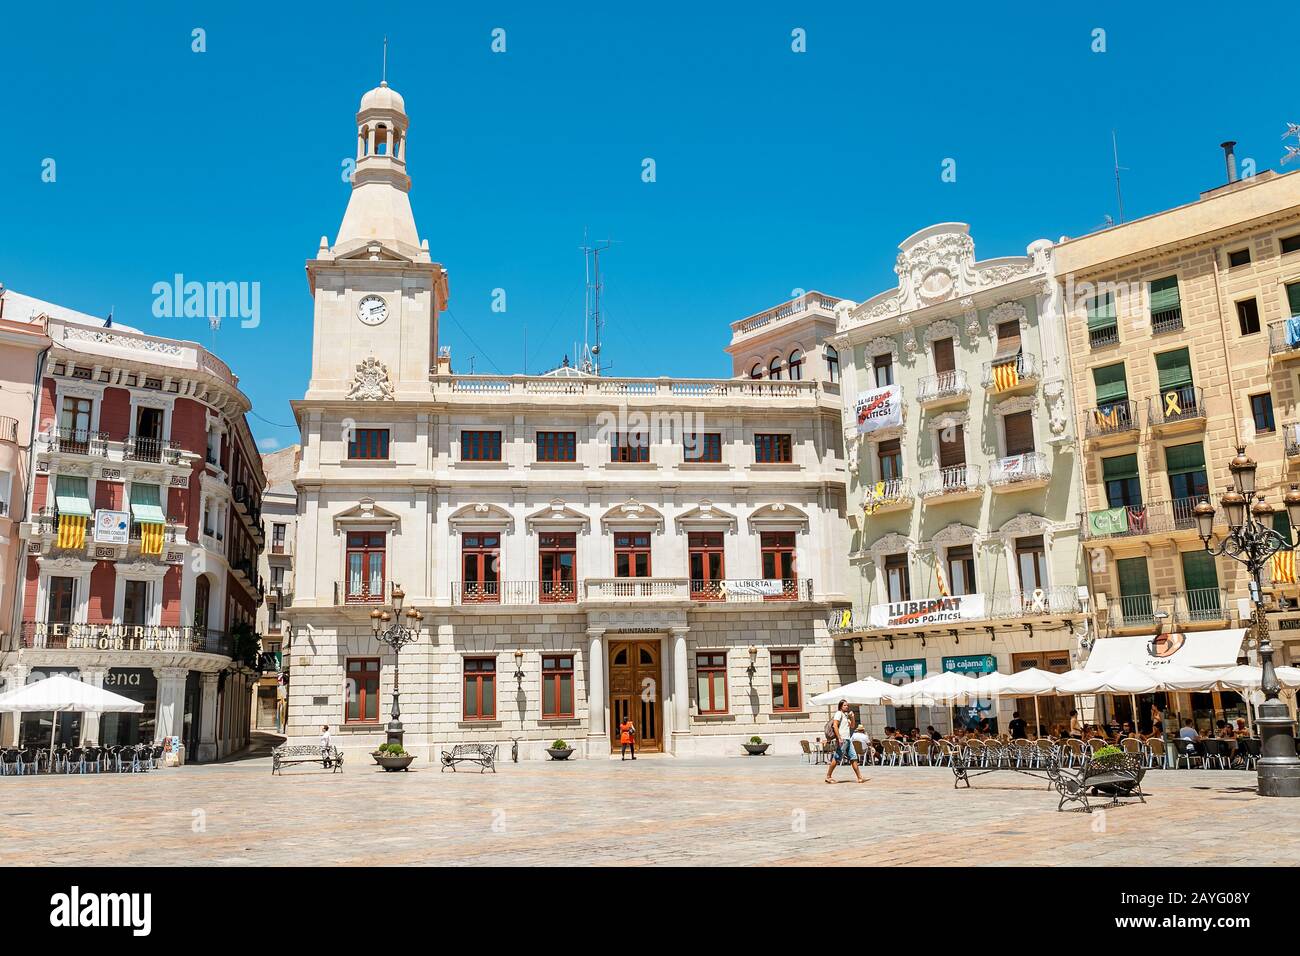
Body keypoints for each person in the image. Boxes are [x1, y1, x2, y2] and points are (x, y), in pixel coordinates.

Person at [825, 699, 867, 784]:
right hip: (843, 739)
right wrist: (839, 738)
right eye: (844, 705)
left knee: (853, 757)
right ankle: (828, 776)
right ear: (840, 706)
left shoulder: (846, 715)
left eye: (847, 705)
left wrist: (852, 717)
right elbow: (835, 726)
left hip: (848, 739)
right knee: (837, 758)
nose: (847, 706)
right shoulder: (838, 714)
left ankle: (859, 777)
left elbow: (852, 726)